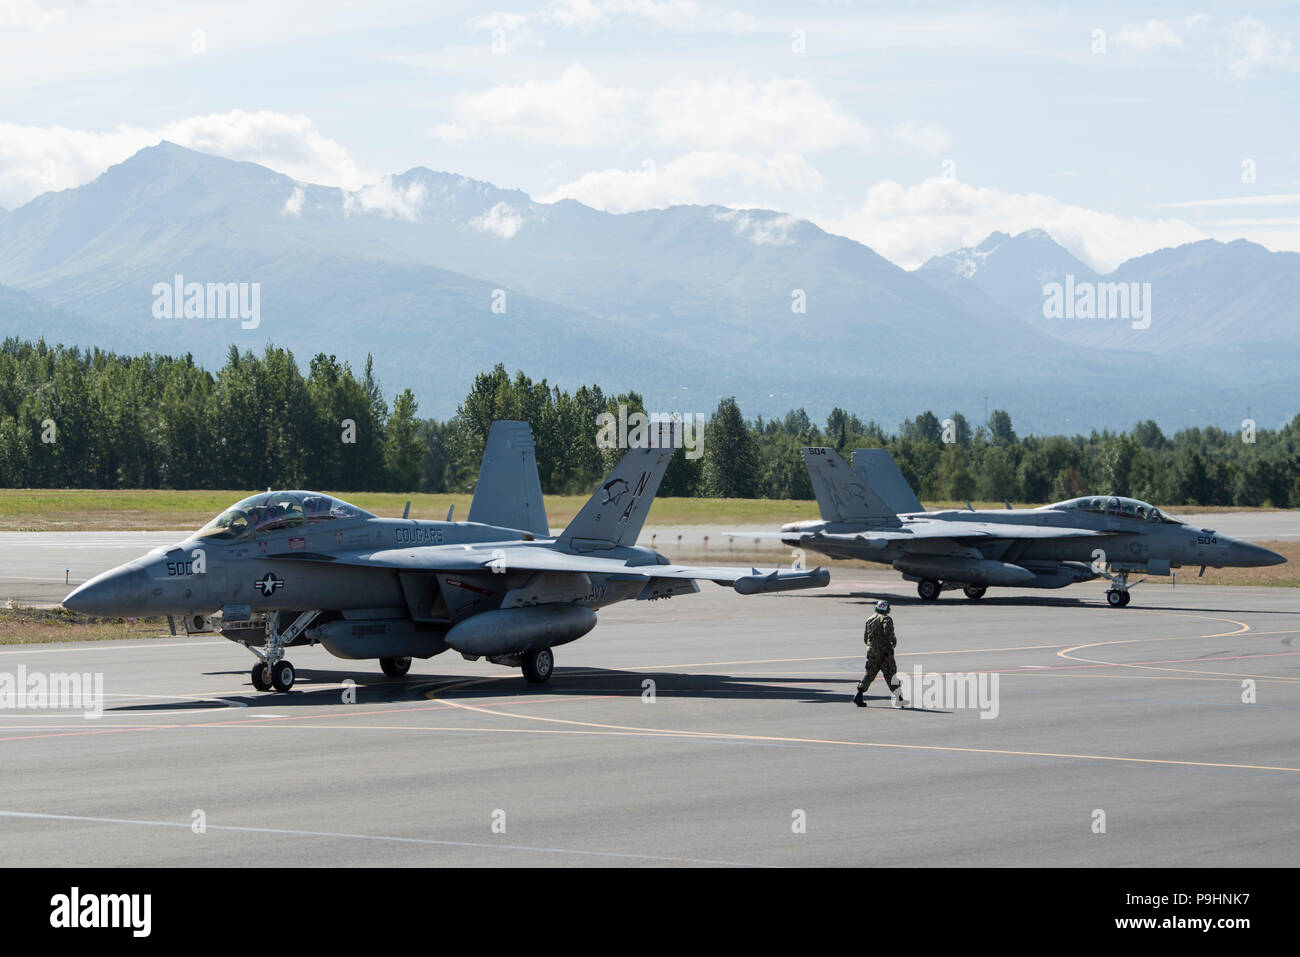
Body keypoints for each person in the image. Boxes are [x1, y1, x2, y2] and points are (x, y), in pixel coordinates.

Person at [852, 599, 906, 708]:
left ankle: (859, 695)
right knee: (890, 674)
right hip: (884, 652)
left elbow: (865, 638)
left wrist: (872, 647)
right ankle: (899, 699)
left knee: (870, 673)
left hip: (872, 651)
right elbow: (888, 632)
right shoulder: (886, 619)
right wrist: (893, 641)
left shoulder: (869, 619)